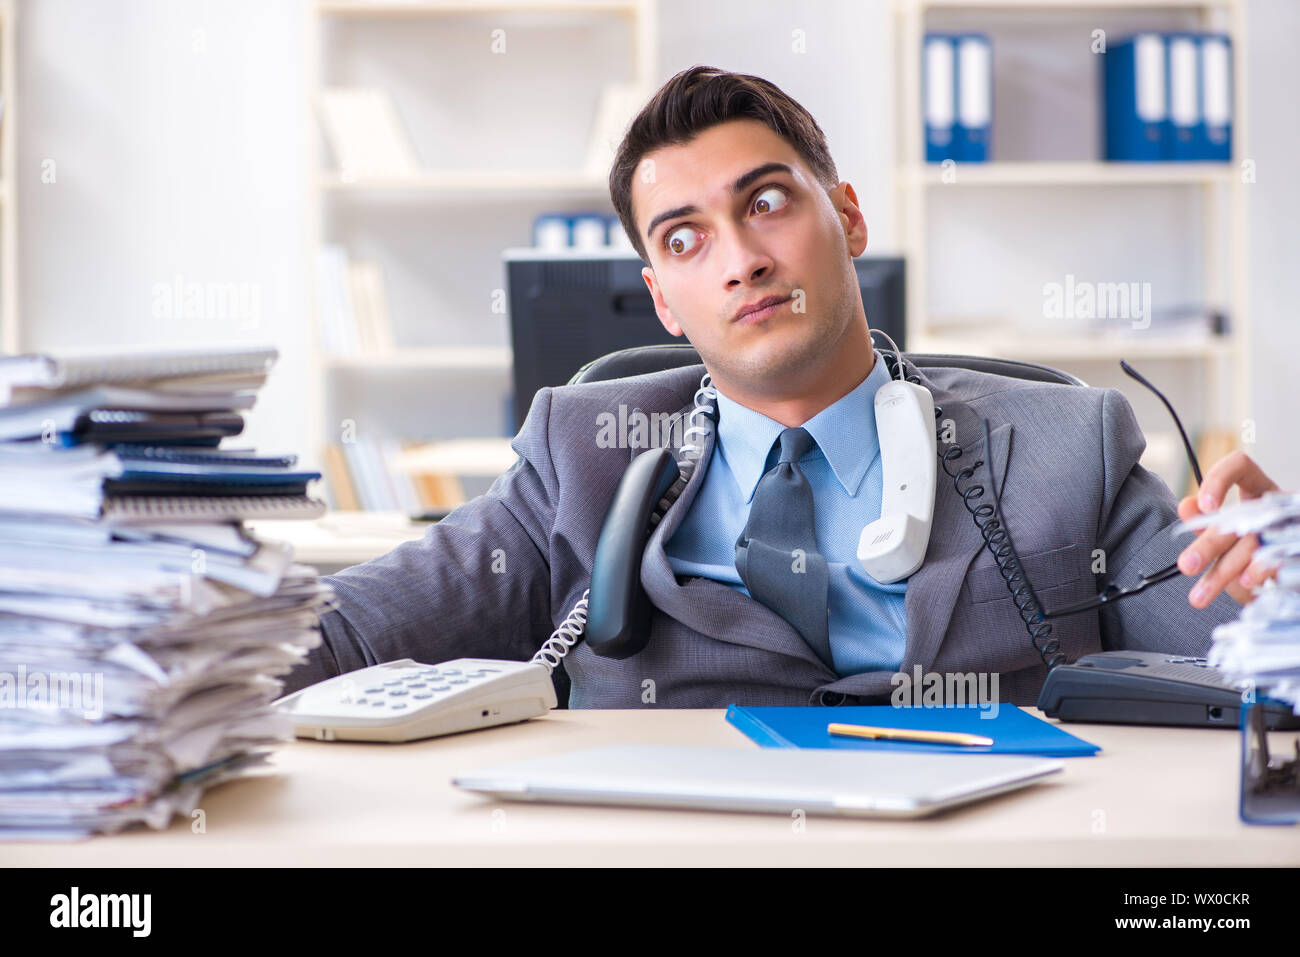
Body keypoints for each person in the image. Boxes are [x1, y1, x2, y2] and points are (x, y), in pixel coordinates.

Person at [283, 66, 1285, 708]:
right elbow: (348, 630)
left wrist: (1276, 578)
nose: (739, 261)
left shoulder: (1072, 444)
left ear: (846, 218)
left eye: (764, 204)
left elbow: (1245, 667)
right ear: (662, 300)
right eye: (685, 238)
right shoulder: (584, 452)